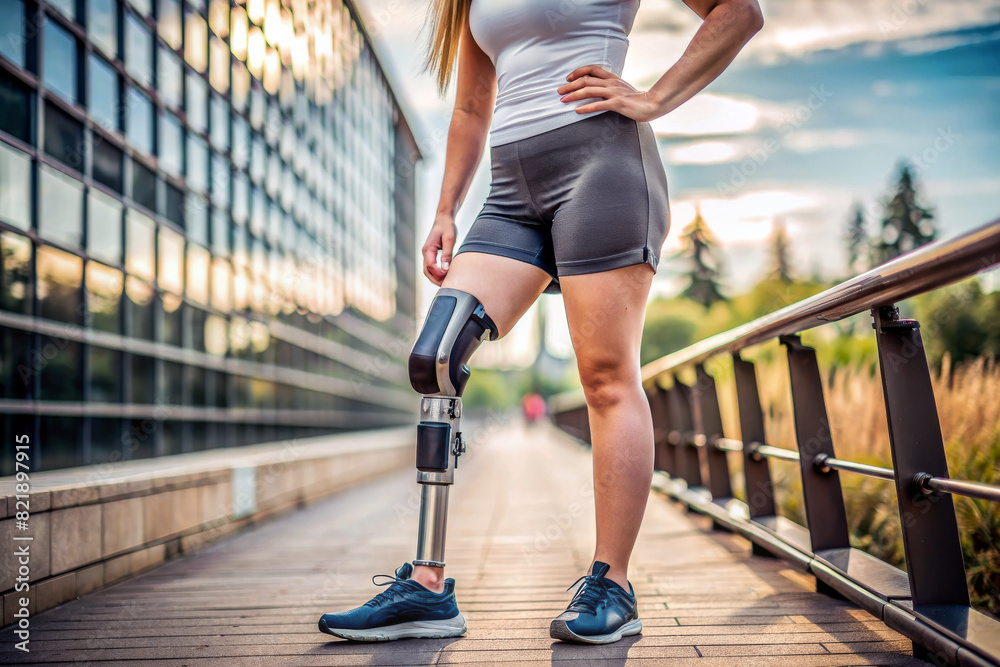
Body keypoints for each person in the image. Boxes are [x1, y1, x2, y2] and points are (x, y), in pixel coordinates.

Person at [318, 0, 762, 645]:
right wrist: (445, 210)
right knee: (436, 358)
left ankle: (613, 585)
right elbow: (472, 106)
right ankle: (428, 588)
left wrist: (657, 98)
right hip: (508, 191)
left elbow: (737, 12)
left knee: (606, 377)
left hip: (603, 168)